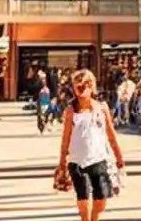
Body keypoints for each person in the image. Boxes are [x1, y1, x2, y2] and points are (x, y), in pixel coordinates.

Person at [57, 69, 125, 221]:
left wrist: (119, 158)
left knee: (101, 200)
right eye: (77, 86)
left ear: (92, 86)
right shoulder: (71, 111)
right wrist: (62, 162)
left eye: (85, 85)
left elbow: (111, 135)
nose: (81, 89)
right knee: (83, 198)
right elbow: (65, 138)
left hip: (99, 159)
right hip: (77, 162)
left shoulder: (102, 108)